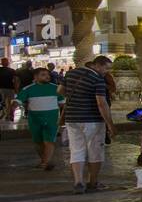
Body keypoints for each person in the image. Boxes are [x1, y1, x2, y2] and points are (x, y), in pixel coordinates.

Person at [62, 55, 115, 194]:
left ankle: (78, 182)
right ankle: (93, 182)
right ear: (97, 65)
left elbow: (60, 91)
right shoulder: (98, 79)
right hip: (93, 119)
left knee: (76, 150)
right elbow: (101, 103)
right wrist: (110, 124)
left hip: (72, 118)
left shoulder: (71, 73)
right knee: (95, 151)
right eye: (106, 68)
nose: (107, 72)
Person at [14, 66, 63, 170]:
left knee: (49, 141)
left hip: (51, 119)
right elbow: (17, 101)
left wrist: (64, 117)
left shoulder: (56, 88)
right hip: (34, 120)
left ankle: (45, 163)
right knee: (38, 142)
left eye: (47, 75)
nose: (47, 77)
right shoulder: (28, 89)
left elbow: (63, 104)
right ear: (35, 77)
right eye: (43, 75)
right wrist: (11, 110)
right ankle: (45, 161)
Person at [0, 57, 19, 122]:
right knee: (10, 103)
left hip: (2, 89)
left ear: (1, 63)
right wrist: (16, 89)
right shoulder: (12, 70)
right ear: (8, 63)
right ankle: (9, 115)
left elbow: (16, 80)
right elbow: (16, 80)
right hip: (10, 89)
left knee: (3, 102)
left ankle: (4, 114)